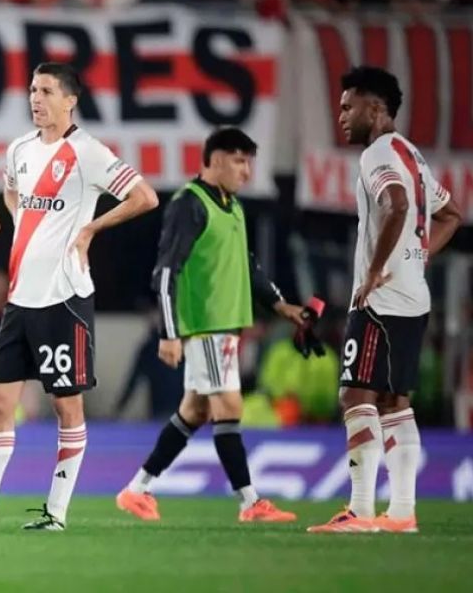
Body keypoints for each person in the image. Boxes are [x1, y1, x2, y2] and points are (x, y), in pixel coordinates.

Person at [0, 62, 159, 531]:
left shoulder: (88, 152)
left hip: (64, 297)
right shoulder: (19, 149)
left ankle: (56, 513)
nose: (36, 98)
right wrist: (29, 235)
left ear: (70, 100)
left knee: (65, 405)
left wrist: (90, 228)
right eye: (33, 90)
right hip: (20, 298)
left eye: (47, 91)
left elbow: (145, 197)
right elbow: (12, 196)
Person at [115, 128, 308, 523]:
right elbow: (165, 271)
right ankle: (250, 503)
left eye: (249, 163)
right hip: (206, 327)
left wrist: (280, 304)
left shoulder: (232, 206)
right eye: (239, 161)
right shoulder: (190, 203)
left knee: (195, 411)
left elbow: (246, 264)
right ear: (216, 160)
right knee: (229, 406)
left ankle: (136, 489)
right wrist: (169, 333)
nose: (247, 172)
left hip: (224, 327)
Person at [309, 66, 463, 534]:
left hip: (380, 300)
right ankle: (401, 513)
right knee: (396, 403)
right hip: (413, 297)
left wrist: (375, 270)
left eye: (348, 107)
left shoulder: (377, 153)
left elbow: (396, 204)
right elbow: (451, 214)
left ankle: (360, 511)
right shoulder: (412, 154)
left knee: (355, 395)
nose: (341, 115)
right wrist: (417, 256)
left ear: (375, 108)